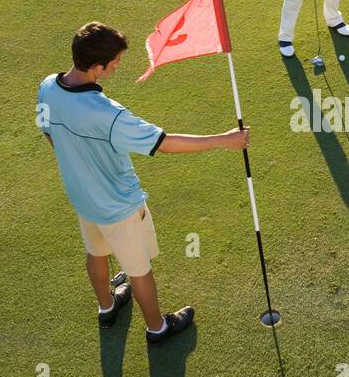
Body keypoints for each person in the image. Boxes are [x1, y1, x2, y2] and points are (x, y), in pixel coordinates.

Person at [37, 22, 251, 343]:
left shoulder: (47, 87)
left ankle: (106, 307)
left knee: (95, 252)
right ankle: (157, 328)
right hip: (120, 206)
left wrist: (77, 163)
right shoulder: (108, 114)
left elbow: (47, 130)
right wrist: (225, 139)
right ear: (97, 67)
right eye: (115, 62)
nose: (119, 65)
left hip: (83, 200)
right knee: (139, 271)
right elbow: (165, 143)